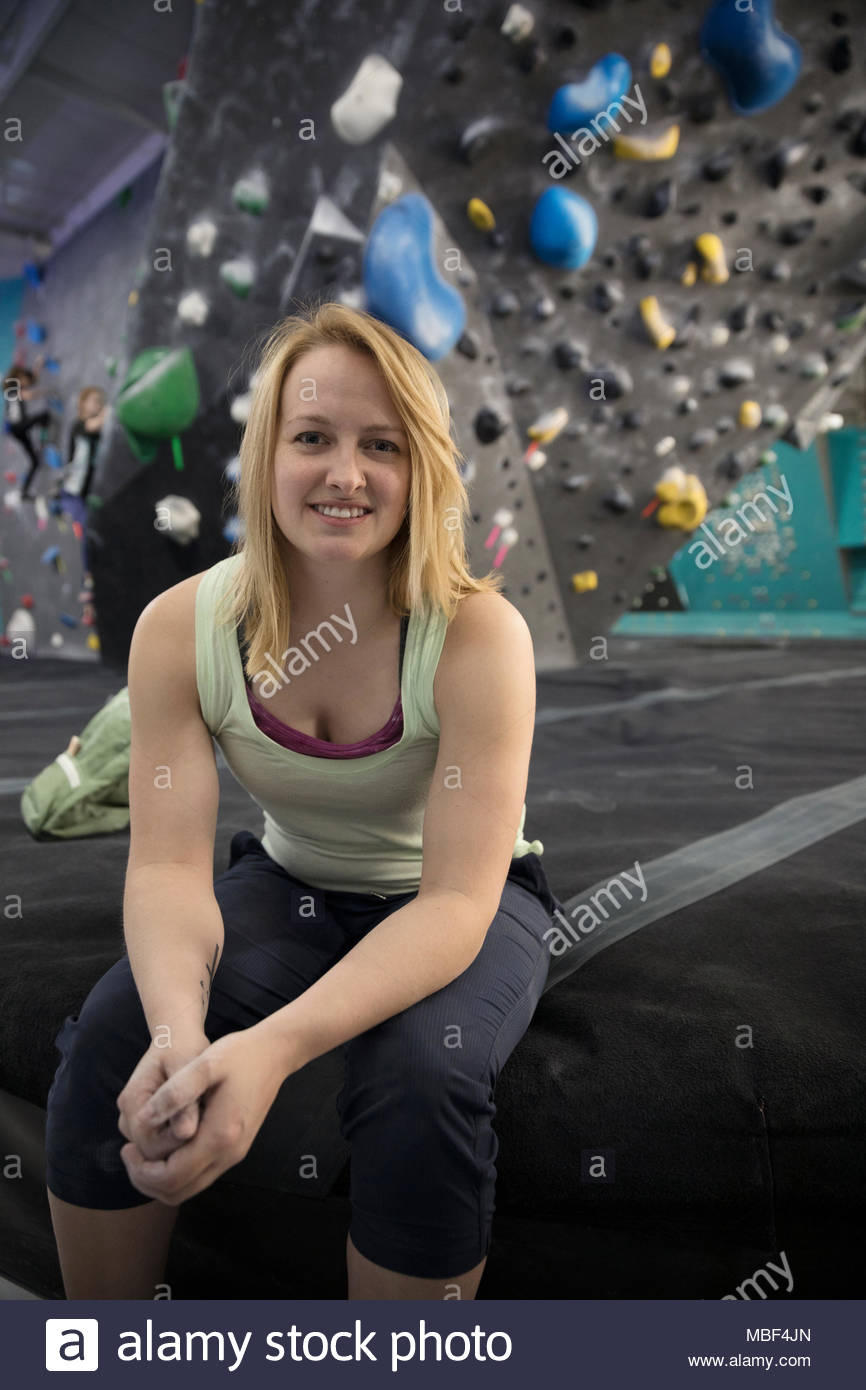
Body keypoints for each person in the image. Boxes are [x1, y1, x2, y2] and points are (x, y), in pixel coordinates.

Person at [44, 302, 562, 1301]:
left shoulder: (476, 634)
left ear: (421, 469)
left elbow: (456, 901)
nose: (344, 474)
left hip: (460, 898)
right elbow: (162, 867)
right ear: (264, 454)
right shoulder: (181, 628)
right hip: (291, 877)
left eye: (381, 445)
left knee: (424, 1076)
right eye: (312, 438)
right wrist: (176, 1033)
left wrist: (273, 1049)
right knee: (114, 1032)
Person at [55, 385, 109, 583]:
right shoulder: (78, 426)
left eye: (100, 402)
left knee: (93, 530)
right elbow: (95, 425)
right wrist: (109, 410)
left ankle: (91, 572)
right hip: (71, 494)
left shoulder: (96, 430)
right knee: (85, 529)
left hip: (85, 494)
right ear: (83, 404)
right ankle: (88, 576)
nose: (98, 405)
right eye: (94, 401)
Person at [3, 355, 52, 499]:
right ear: (18, 377)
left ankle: (24, 491)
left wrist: (38, 364)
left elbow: (33, 379)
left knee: (35, 462)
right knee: (45, 417)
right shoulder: (12, 389)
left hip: (16, 429)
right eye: (24, 377)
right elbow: (28, 395)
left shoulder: (14, 386)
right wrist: (48, 391)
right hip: (19, 426)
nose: (27, 381)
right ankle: (43, 442)